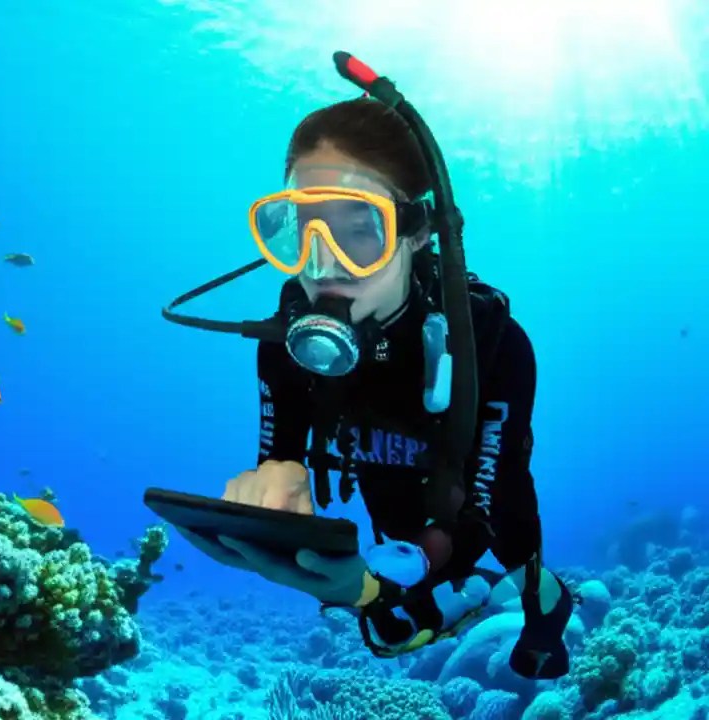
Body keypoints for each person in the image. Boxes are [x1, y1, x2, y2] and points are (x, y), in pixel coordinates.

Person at [159, 54, 573, 679]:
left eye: (360, 230)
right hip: (389, 502)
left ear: (416, 232)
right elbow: (282, 454)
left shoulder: (494, 345)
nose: (323, 264)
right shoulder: (285, 343)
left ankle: (547, 609)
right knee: (390, 627)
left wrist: (397, 575)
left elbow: (486, 503)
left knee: (518, 568)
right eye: (301, 229)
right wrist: (278, 493)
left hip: (480, 506)